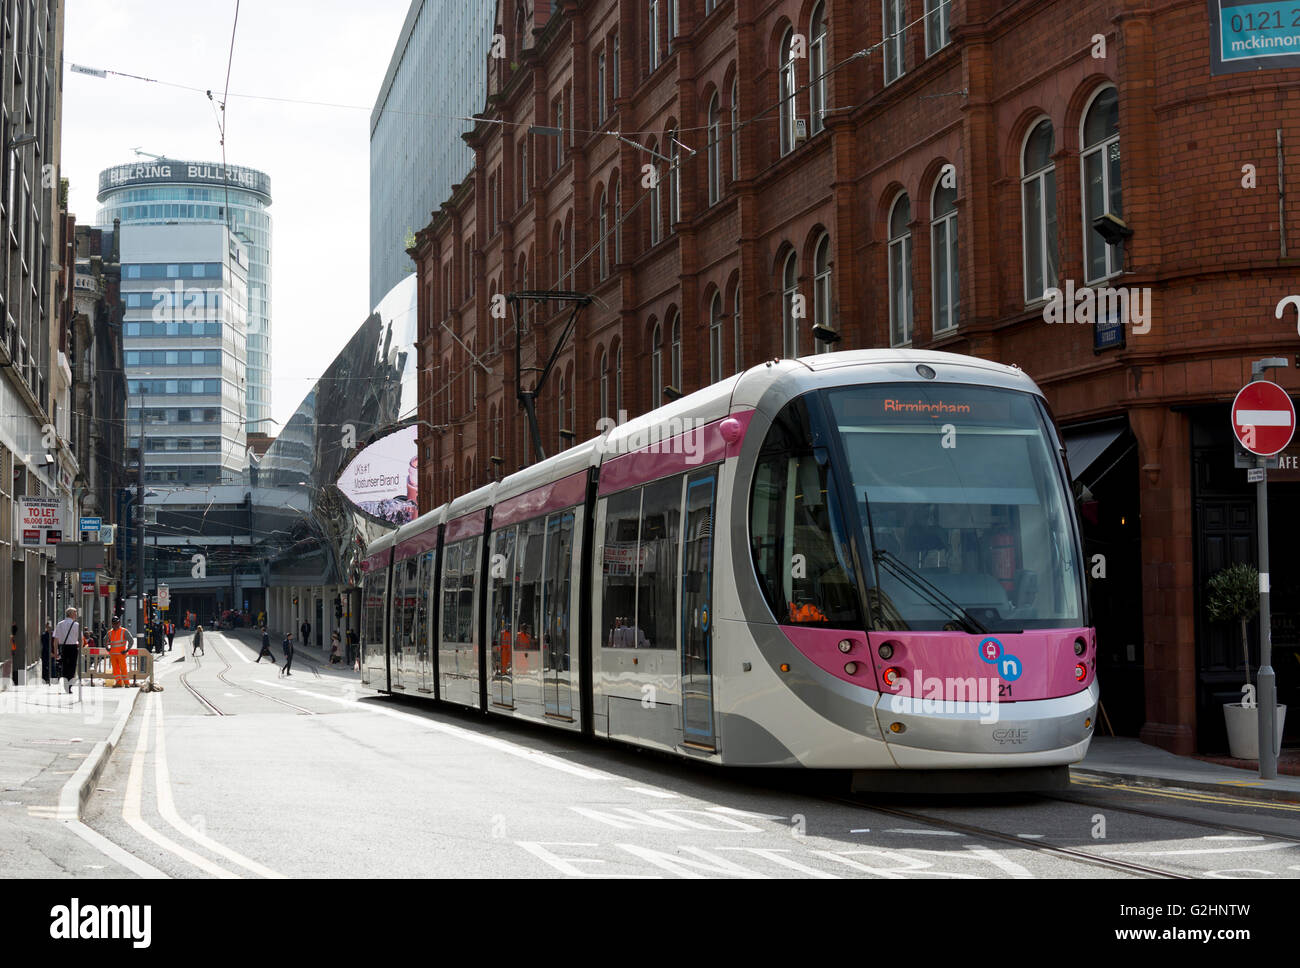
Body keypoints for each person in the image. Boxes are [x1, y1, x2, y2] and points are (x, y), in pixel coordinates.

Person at [51, 608, 82, 694]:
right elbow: (81, 639)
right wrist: (80, 648)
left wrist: (56, 651)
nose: (76, 615)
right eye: (75, 614)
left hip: (63, 647)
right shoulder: (76, 625)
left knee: (64, 666)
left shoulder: (60, 624)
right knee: (72, 667)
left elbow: (56, 639)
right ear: (71, 614)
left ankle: (65, 684)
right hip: (73, 648)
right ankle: (69, 685)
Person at [104, 615, 134, 688]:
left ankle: (126, 683)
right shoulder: (110, 632)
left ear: (119, 623)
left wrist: (127, 649)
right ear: (112, 624)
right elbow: (105, 640)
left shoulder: (124, 631)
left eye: (117, 623)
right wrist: (107, 647)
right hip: (113, 654)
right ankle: (118, 682)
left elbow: (131, 640)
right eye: (114, 623)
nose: (115, 625)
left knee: (123, 668)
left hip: (121, 654)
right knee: (115, 669)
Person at [40, 620, 53, 684]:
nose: (49, 628)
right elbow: (44, 644)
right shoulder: (44, 635)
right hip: (45, 653)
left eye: (50, 627)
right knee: (45, 666)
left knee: (52, 666)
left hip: (52, 653)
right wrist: (49, 652)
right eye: (48, 627)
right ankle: (45, 679)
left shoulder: (53, 634)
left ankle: (51, 678)